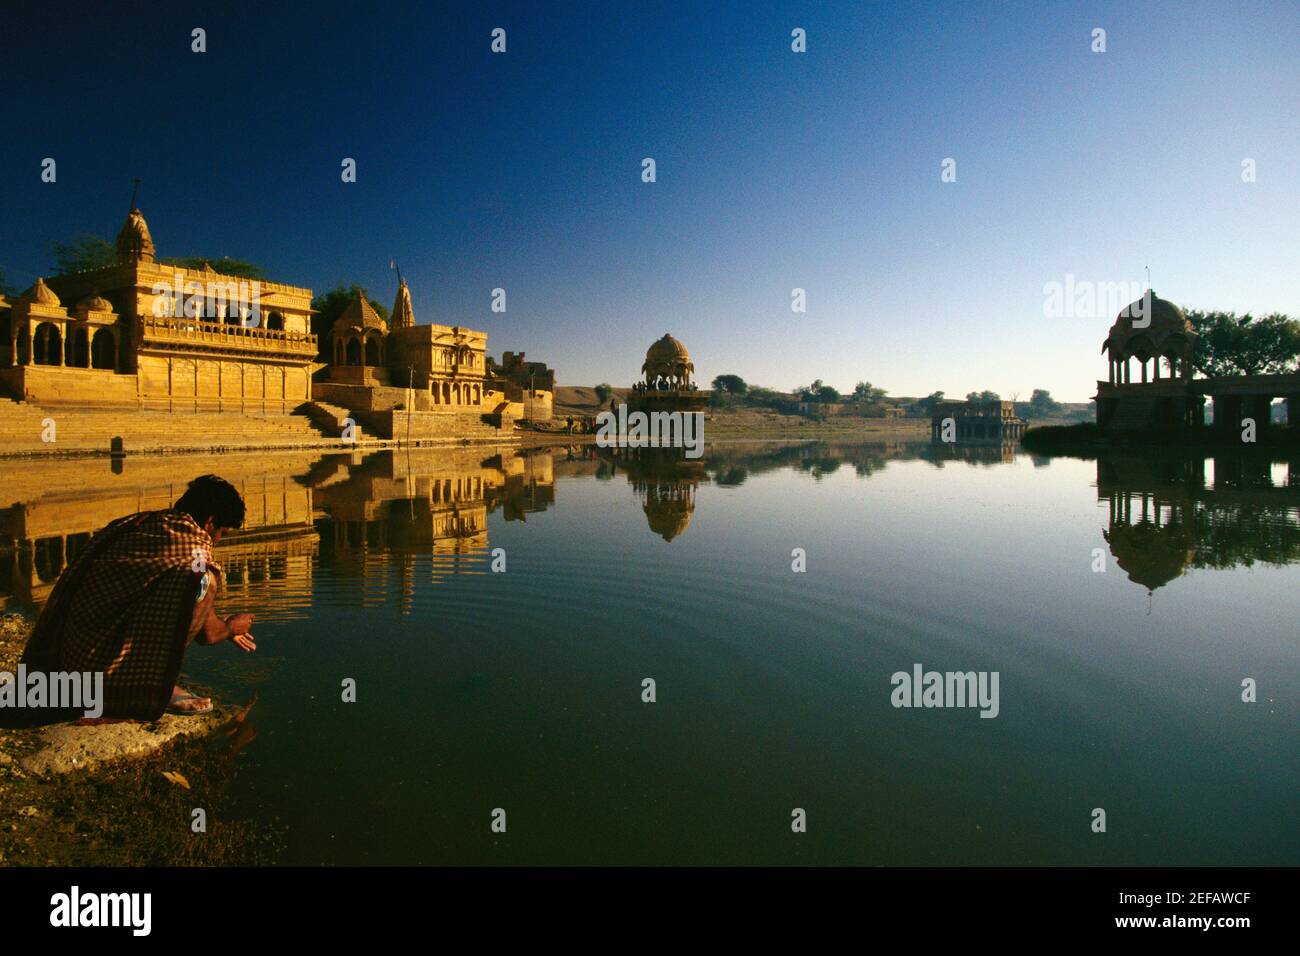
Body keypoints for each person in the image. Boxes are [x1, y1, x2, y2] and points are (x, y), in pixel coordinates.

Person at [17, 475, 256, 722]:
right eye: (222, 532)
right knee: (204, 580)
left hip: (66, 658)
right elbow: (209, 635)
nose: (217, 540)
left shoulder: (139, 523)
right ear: (209, 522)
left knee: (190, 583)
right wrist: (229, 627)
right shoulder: (195, 553)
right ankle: (153, 689)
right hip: (98, 677)